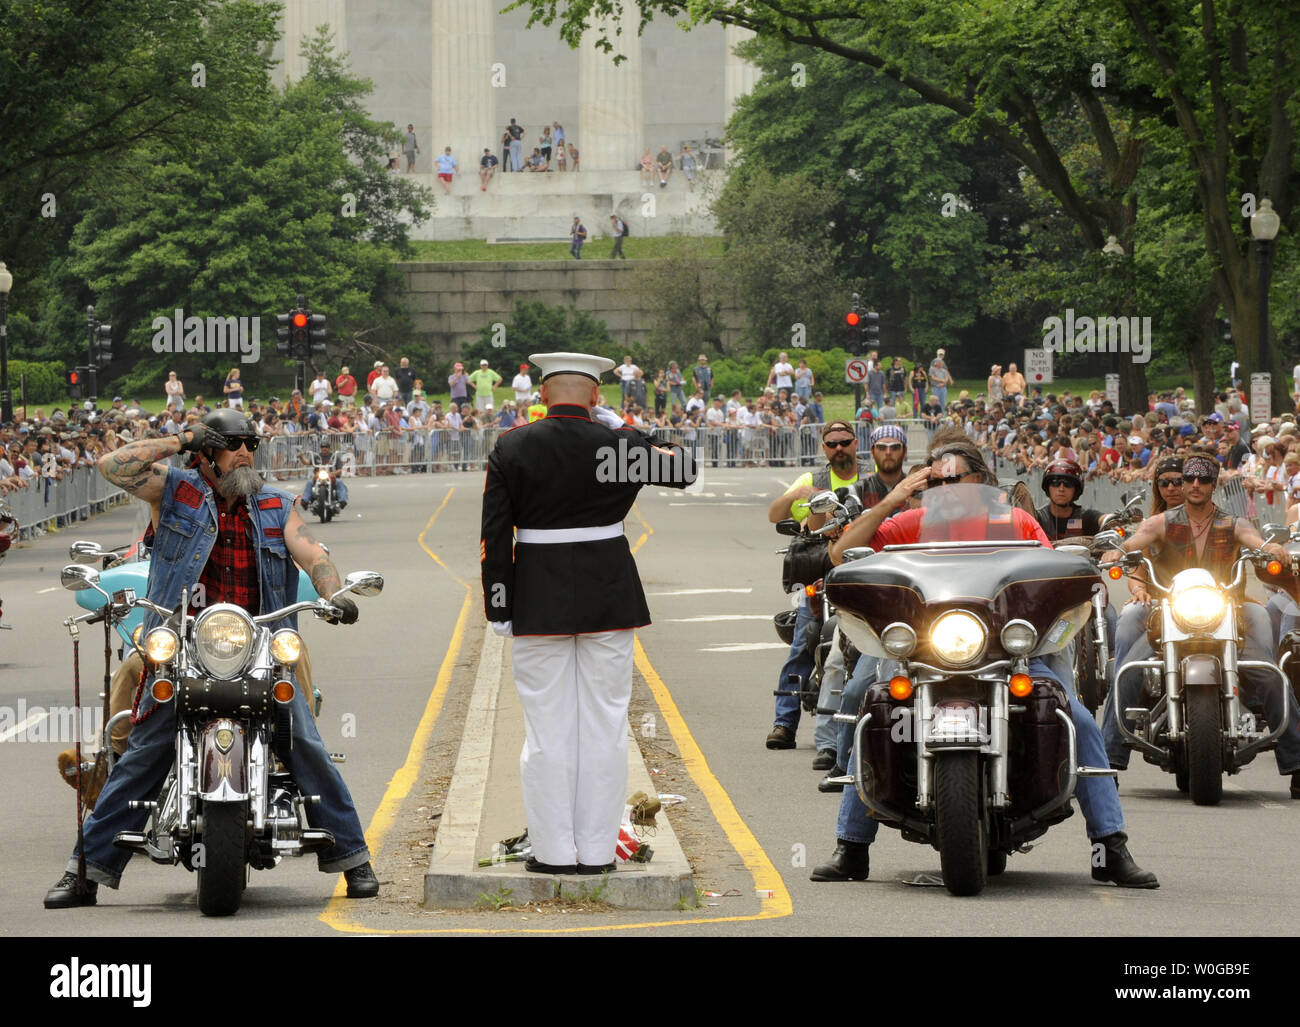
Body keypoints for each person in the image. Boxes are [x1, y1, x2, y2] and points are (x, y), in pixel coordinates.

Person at [43, 409, 377, 908]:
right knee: (145, 749)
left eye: (251, 443)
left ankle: (353, 858)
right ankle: (84, 873)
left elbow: (310, 551)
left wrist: (333, 592)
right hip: (183, 644)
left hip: (258, 646)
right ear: (207, 453)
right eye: (232, 442)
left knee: (303, 739)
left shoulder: (274, 504)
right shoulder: (174, 492)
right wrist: (180, 438)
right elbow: (112, 466)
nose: (245, 451)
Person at [808, 430, 1159, 888]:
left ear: (980, 479)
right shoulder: (908, 522)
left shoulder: (1014, 522)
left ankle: (1110, 847)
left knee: (1078, 720)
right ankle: (851, 847)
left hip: (1011, 655)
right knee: (872, 713)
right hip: (924, 655)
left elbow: (1054, 571)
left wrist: (1074, 573)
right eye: (938, 483)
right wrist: (894, 496)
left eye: (958, 480)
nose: (948, 491)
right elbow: (840, 554)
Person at [480, 352, 695, 873]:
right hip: (608, 595)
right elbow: (684, 469)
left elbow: (493, 535)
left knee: (547, 729)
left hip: (537, 595)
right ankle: (598, 853)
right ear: (597, 397)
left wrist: (499, 603)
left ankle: (555, 853)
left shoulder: (512, 445)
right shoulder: (620, 447)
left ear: (541, 393)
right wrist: (627, 429)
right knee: (604, 724)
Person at [1100, 453, 1300, 795]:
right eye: (1189, 479)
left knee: (1270, 674)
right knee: (1129, 671)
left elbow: (1255, 539)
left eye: (1203, 480)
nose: (1194, 485)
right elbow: (1137, 538)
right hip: (1171, 615)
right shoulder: (1163, 521)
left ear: (1213, 484)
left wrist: (1273, 549)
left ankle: (1297, 761)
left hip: (1224, 614)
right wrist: (1118, 550)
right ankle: (1106, 763)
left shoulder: (1232, 523)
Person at [764, 420, 871, 753]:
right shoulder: (813, 480)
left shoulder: (870, 480)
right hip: (820, 573)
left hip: (863, 571)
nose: (839, 448)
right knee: (803, 641)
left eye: (844, 442)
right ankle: (784, 723)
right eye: (831, 443)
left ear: (856, 443)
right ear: (824, 448)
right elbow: (775, 514)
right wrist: (800, 494)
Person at [302, 439, 349, 509]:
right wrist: (300, 457)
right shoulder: (317, 456)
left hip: (332, 476)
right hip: (319, 477)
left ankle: (342, 500)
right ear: (320, 448)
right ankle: (305, 501)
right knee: (309, 482)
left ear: (329, 448)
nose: (324, 448)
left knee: (340, 482)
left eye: (326, 447)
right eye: (322, 447)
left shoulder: (334, 457)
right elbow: (307, 462)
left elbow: (339, 470)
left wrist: (332, 473)